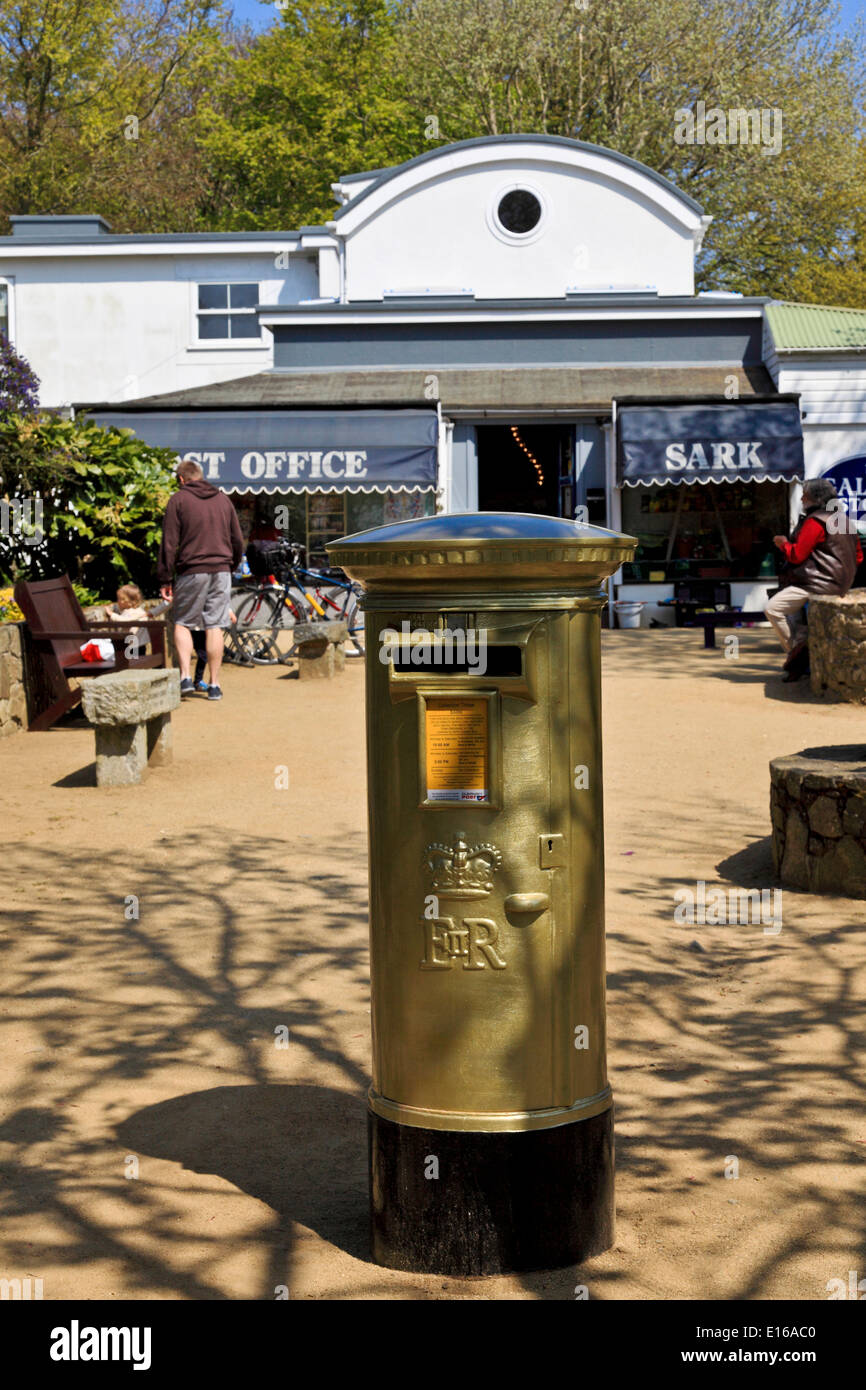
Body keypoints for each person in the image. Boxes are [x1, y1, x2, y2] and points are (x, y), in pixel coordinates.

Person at [157, 458, 244, 700]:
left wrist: (165, 578)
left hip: (192, 570)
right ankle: (214, 685)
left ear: (182, 479)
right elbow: (237, 539)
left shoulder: (179, 500)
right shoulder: (223, 500)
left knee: (183, 622)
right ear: (202, 476)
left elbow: (169, 542)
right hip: (222, 569)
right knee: (215, 624)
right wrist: (231, 565)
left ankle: (185, 677)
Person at [765, 478, 862, 677]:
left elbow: (796, 555)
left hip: (817, 584)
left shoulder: (815, 521)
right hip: (843, 584)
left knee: (773, 608)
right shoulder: (844, 520)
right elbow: (858, 556)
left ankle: (797, 649)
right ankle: (801, 647)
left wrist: (782, 543)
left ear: (815, 499)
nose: (801, 499)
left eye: (805, 495)